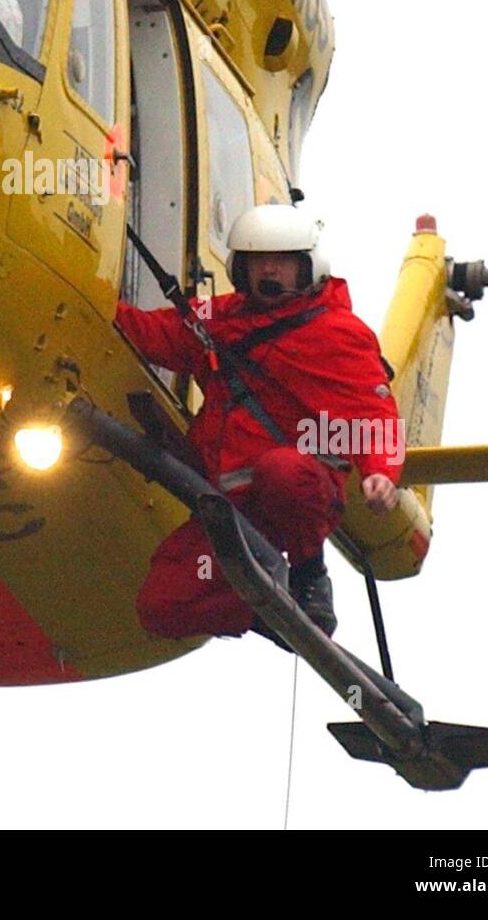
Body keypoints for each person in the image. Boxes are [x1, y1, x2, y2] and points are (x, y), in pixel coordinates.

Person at [115, 203, 402, 645]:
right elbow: (157, 333)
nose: (269, 271)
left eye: (282, 261)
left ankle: (309, 575)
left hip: (296, 496)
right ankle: (267, 612)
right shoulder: (219, 317)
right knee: (161, 606)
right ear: (239, 268)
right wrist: (86, 295)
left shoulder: (338, 333)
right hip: (229, 511)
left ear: (306, 265)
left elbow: (373, 412)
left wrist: (380, 472)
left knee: (283, 472)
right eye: (257, 261)